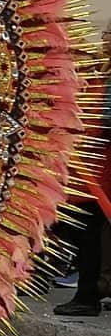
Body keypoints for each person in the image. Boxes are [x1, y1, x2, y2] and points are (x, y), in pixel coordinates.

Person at [54, 18, 111, 317]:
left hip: (93, 171)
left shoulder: (98, 85)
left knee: (88, 234)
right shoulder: (90, 83)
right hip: (84, 171)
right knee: (83, 232)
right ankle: (89, 292)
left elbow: (98, 126)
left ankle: (88, 295)